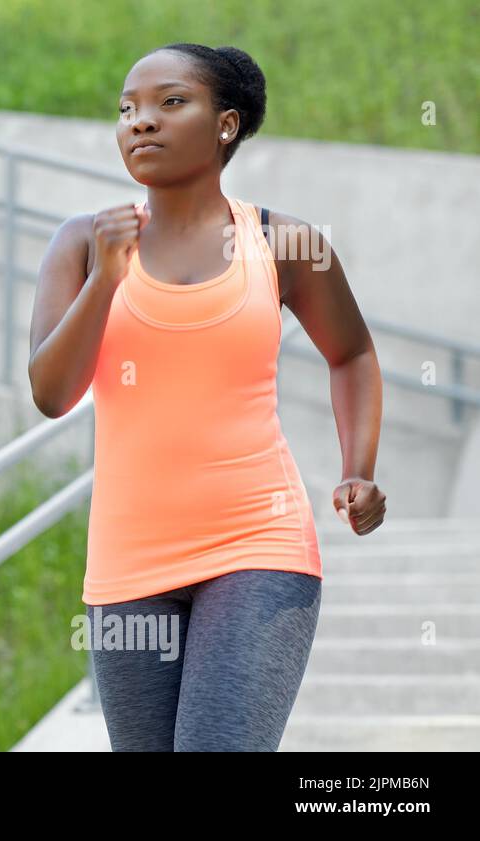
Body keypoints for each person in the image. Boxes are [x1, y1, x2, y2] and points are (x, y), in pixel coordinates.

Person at [26, 43, 387, 751]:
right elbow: (52, 394)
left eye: (169, 103)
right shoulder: (80, 244)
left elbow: (353, 354)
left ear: (225, 125)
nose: (141, 123)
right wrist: (106, 278)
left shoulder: (281, 243)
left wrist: (359, 467)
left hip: (258, 541)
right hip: (129, 560)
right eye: (126, 110)